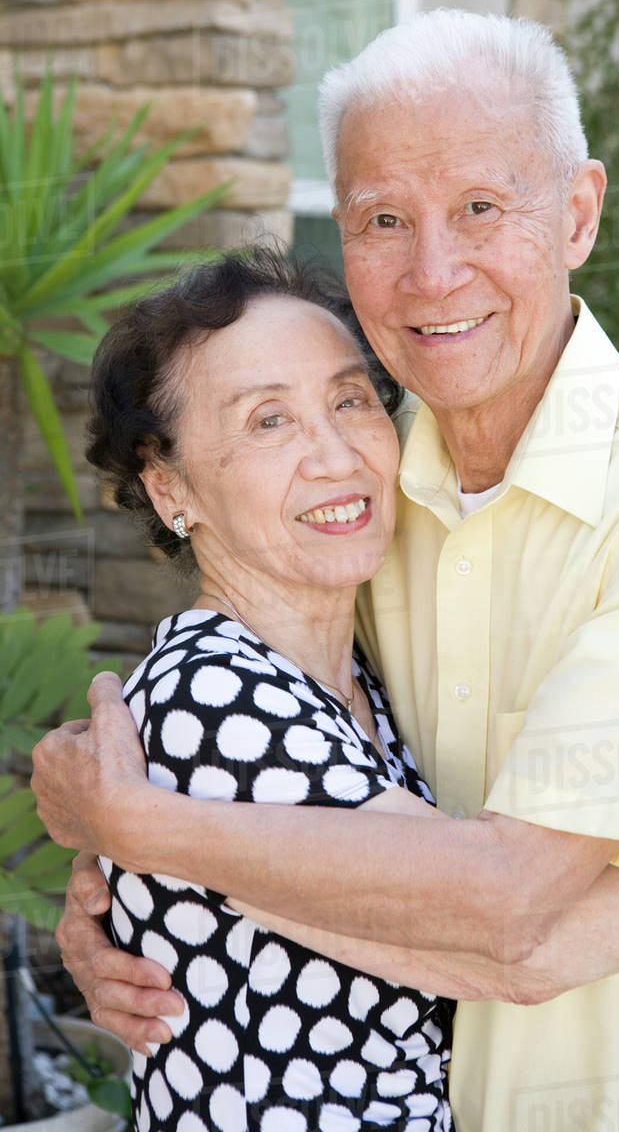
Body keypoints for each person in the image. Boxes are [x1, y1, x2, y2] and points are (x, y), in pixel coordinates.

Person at [33, 11, 619, 1132]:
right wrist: (126, 872)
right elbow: (441, 892)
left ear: (578, 213)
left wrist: (136, 835)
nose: (434, 274)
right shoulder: (368, 509)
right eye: (384, 219)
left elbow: (499, 909)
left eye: (481, 207)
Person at [72, 245, 457, 1130]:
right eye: (269, 421)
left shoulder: (355, 672)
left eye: (350, 400)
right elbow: (510, 936)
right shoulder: (214, 701)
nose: (335, 455)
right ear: (169, 488)